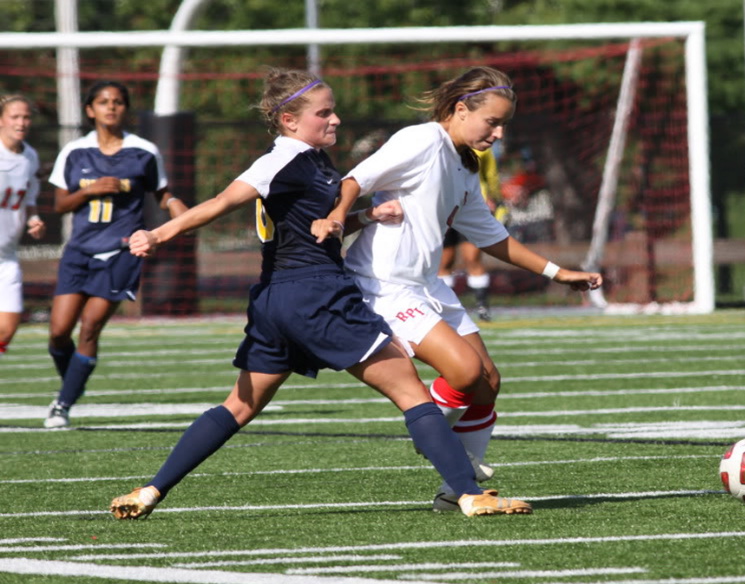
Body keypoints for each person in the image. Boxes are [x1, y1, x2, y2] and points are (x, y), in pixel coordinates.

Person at [109, 68, 531, 520]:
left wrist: (367, 217)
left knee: (240, 404)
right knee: (412, 394)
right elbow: (219, 204)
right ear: (289, 120)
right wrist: (159, 233)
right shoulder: (281, 161)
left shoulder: (311, 163)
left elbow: (316, 227)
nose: (335, 121)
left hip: (274, 299)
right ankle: (467, 494)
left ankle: (152, 489)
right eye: (324, 113)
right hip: (316, 297)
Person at [314, 66, 602, 511]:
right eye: (493, 122)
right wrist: (338, 218)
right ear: (461, 109)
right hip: (384, 285)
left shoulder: (465, 164)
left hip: (428, 286)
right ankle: (432, 434)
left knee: (488, 382)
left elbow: (491, 237)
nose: (499, 133)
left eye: (504, 124)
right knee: (465, 373)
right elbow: (356, 179)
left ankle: (457, 490)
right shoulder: (421, 140)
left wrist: (556, 273)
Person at [44, 81, 187, 429]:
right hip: (79, 251)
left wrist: (177, 209)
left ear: (126, 109)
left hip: (121, 251)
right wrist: (90, 190)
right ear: (90, 110)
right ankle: (73, 384)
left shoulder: (143, 151)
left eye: (119, 102)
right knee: (59, 332)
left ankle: (62, 405)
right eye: (104, 102)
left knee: (90, 327)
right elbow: (60, 204)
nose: (112, 107)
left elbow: (162, 192)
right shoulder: (75, 152)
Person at [437, 146, 506, 321]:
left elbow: (491, 176)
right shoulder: (439, 148)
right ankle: (446, 308)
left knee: (472, 258)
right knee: (445, 261)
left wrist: (496, 199)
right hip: (444, 210)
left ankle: (482, 306)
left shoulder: (483, 149)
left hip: (471, 210)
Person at [0, 94, 46, 357]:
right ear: (1, 120)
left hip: (7, 256)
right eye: (15, 116)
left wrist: (33, 220)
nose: (21, 122)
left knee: (6, 329)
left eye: (26, 117)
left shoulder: (30, 156)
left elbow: (28, 199)